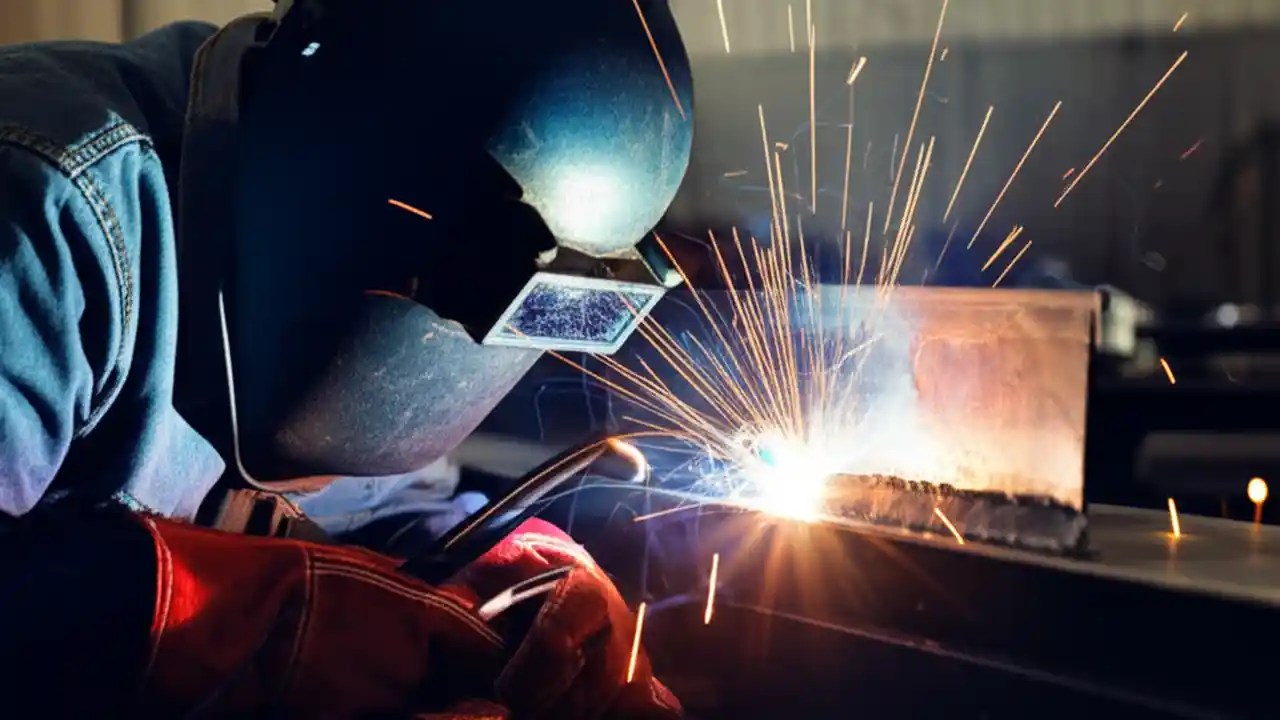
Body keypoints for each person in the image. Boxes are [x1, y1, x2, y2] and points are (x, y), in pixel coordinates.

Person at [0, 0, 693, 716]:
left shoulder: (394, 275)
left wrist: (486, 572)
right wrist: (225, 621)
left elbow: (375, 492)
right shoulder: (42, 207)